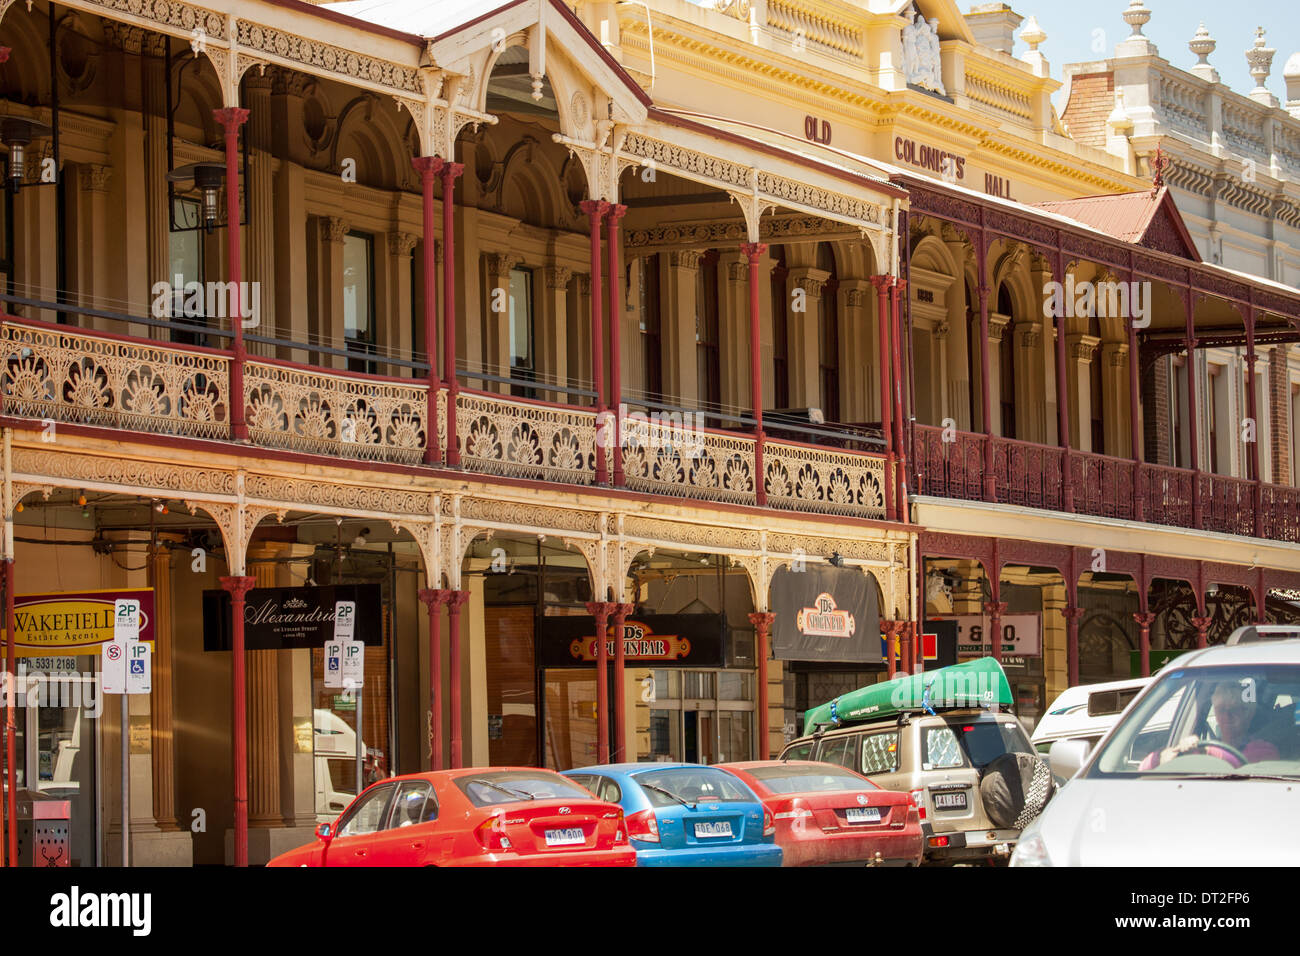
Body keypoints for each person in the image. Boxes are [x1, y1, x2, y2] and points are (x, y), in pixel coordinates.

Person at [1140, 680, 1279, 770]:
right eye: (1221, 710)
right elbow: (1143, 769)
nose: (1227, 716)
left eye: (1234, 710)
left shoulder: (1264, 750)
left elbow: (1242, 768)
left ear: (1248, 715)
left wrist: (1206, 751)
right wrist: (1162, 756)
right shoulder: (1198, 748)